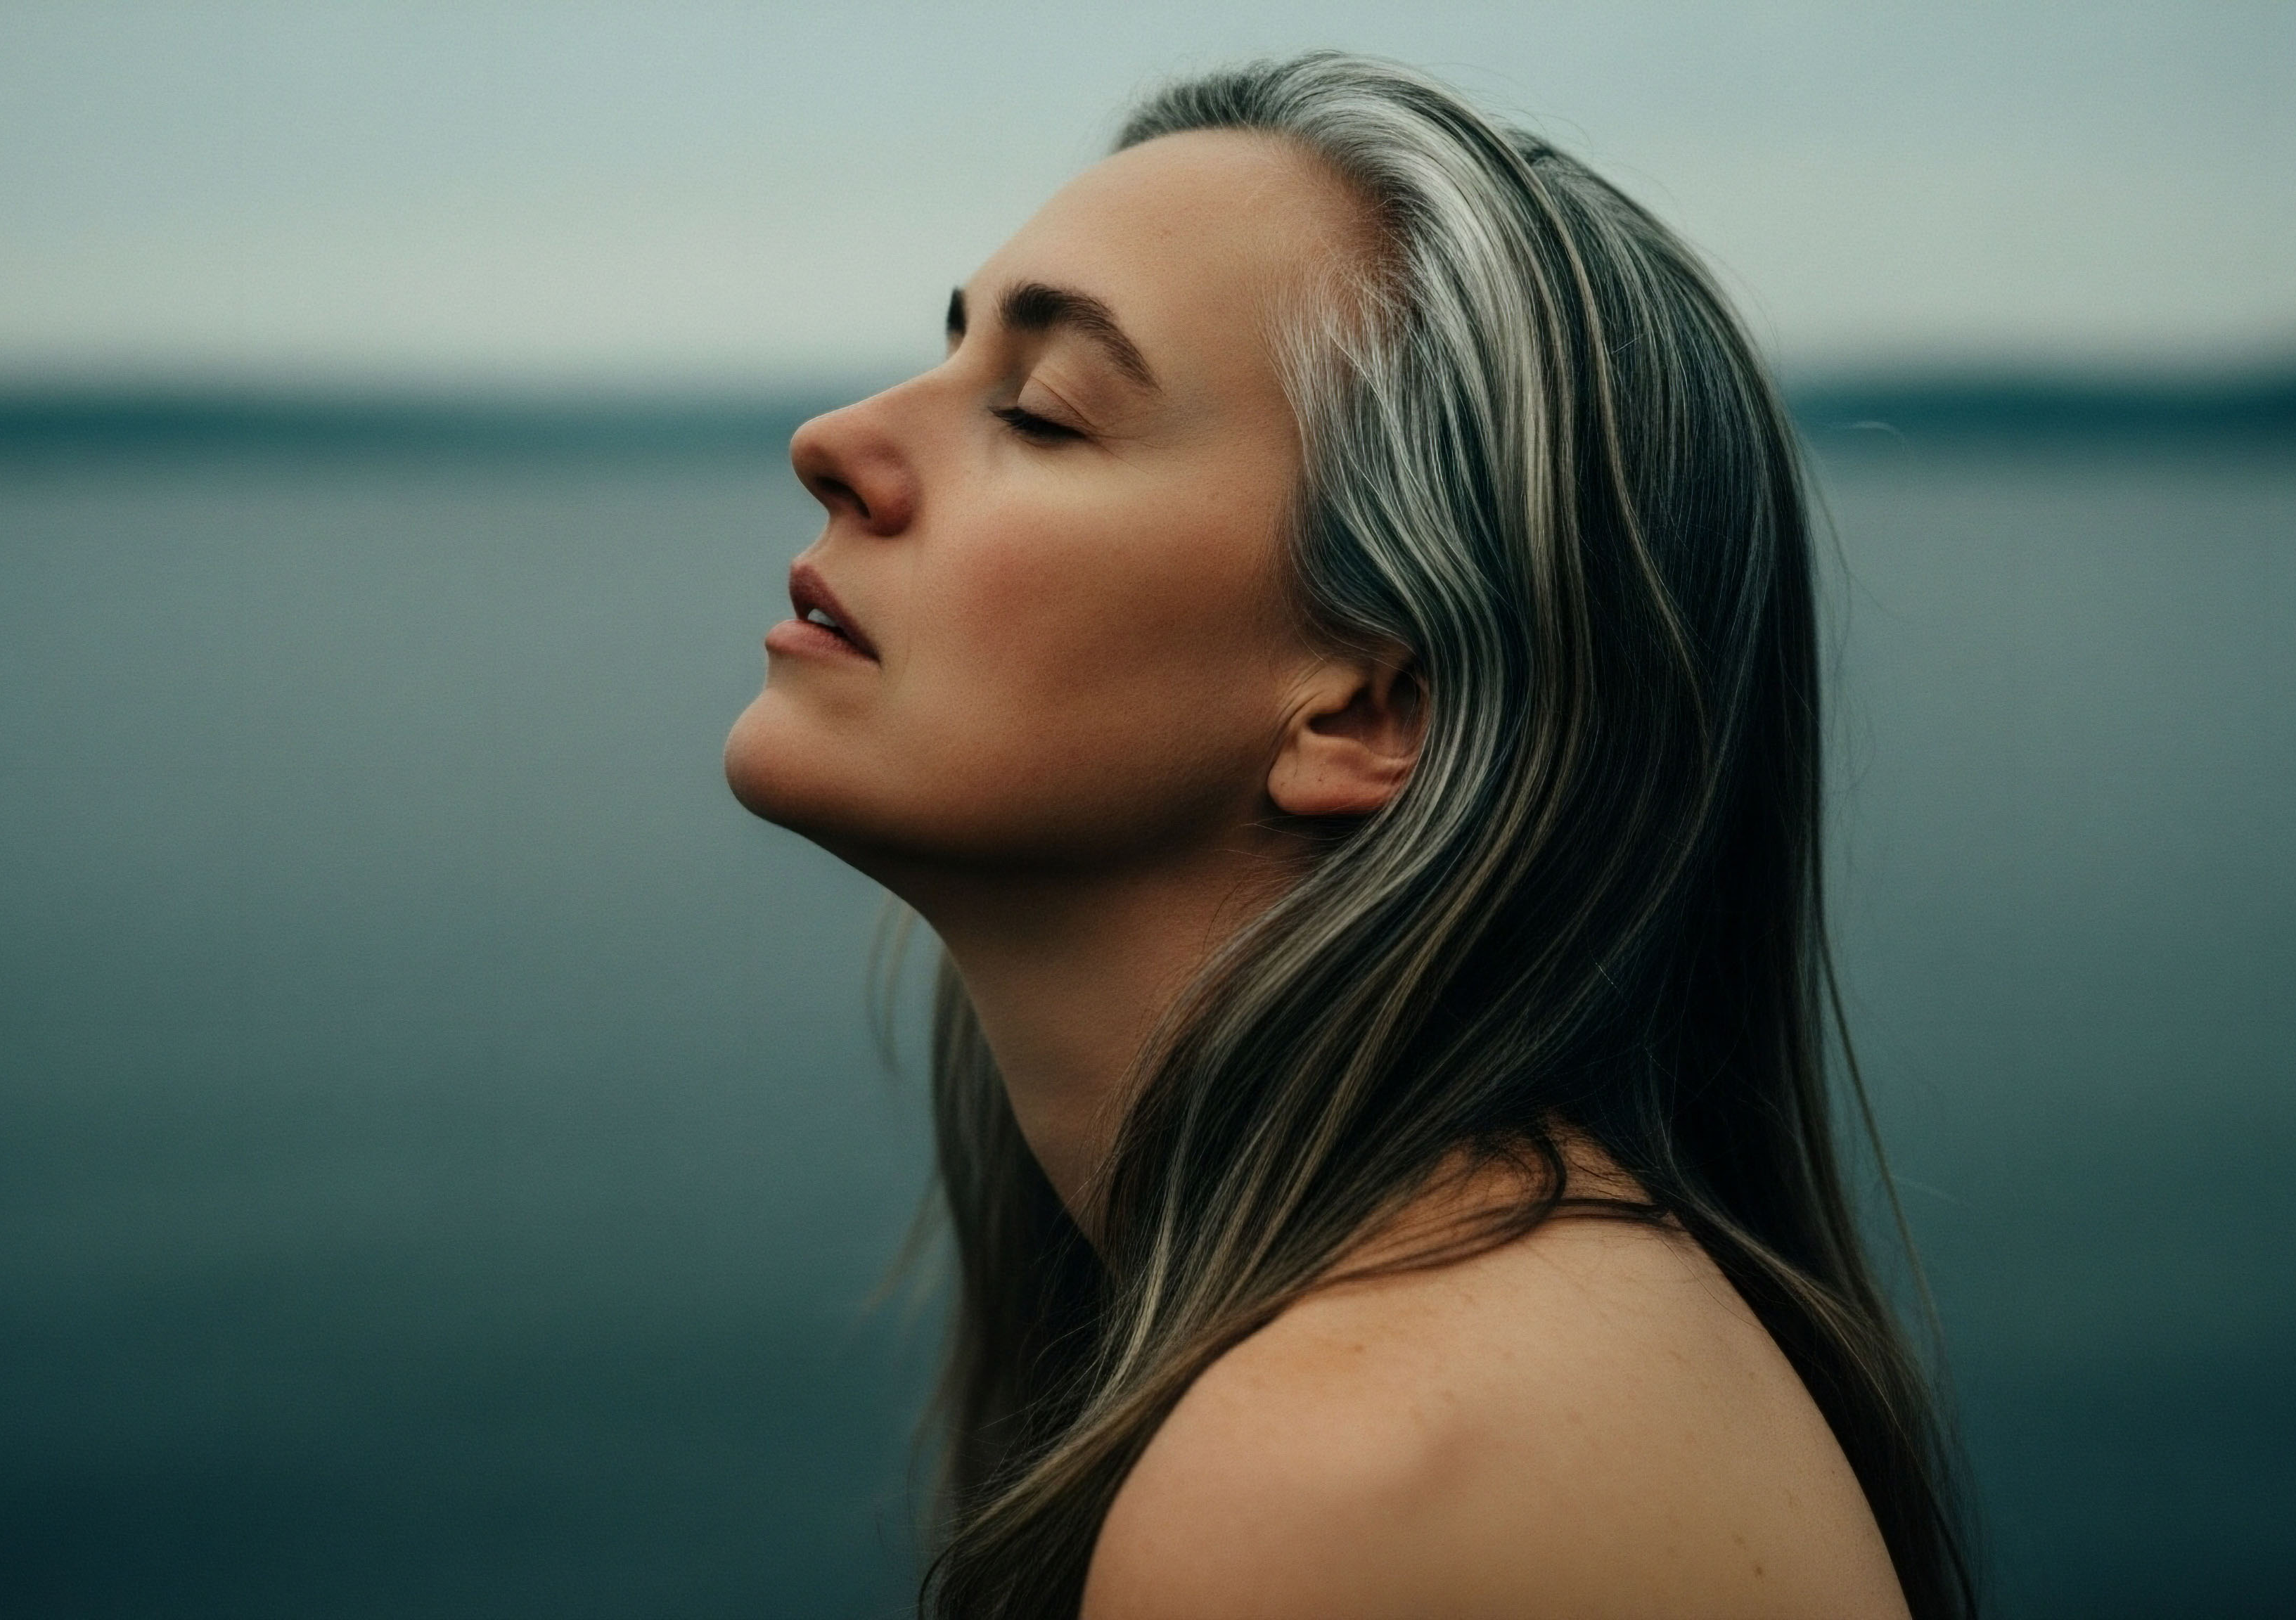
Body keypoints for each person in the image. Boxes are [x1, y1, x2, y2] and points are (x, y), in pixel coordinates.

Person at [725, 52, 1970, 1620]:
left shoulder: (1335, 1477)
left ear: (1370, 708)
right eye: (952, 353)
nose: (833, 439)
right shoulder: (1508, 1342)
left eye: (1040, 414)